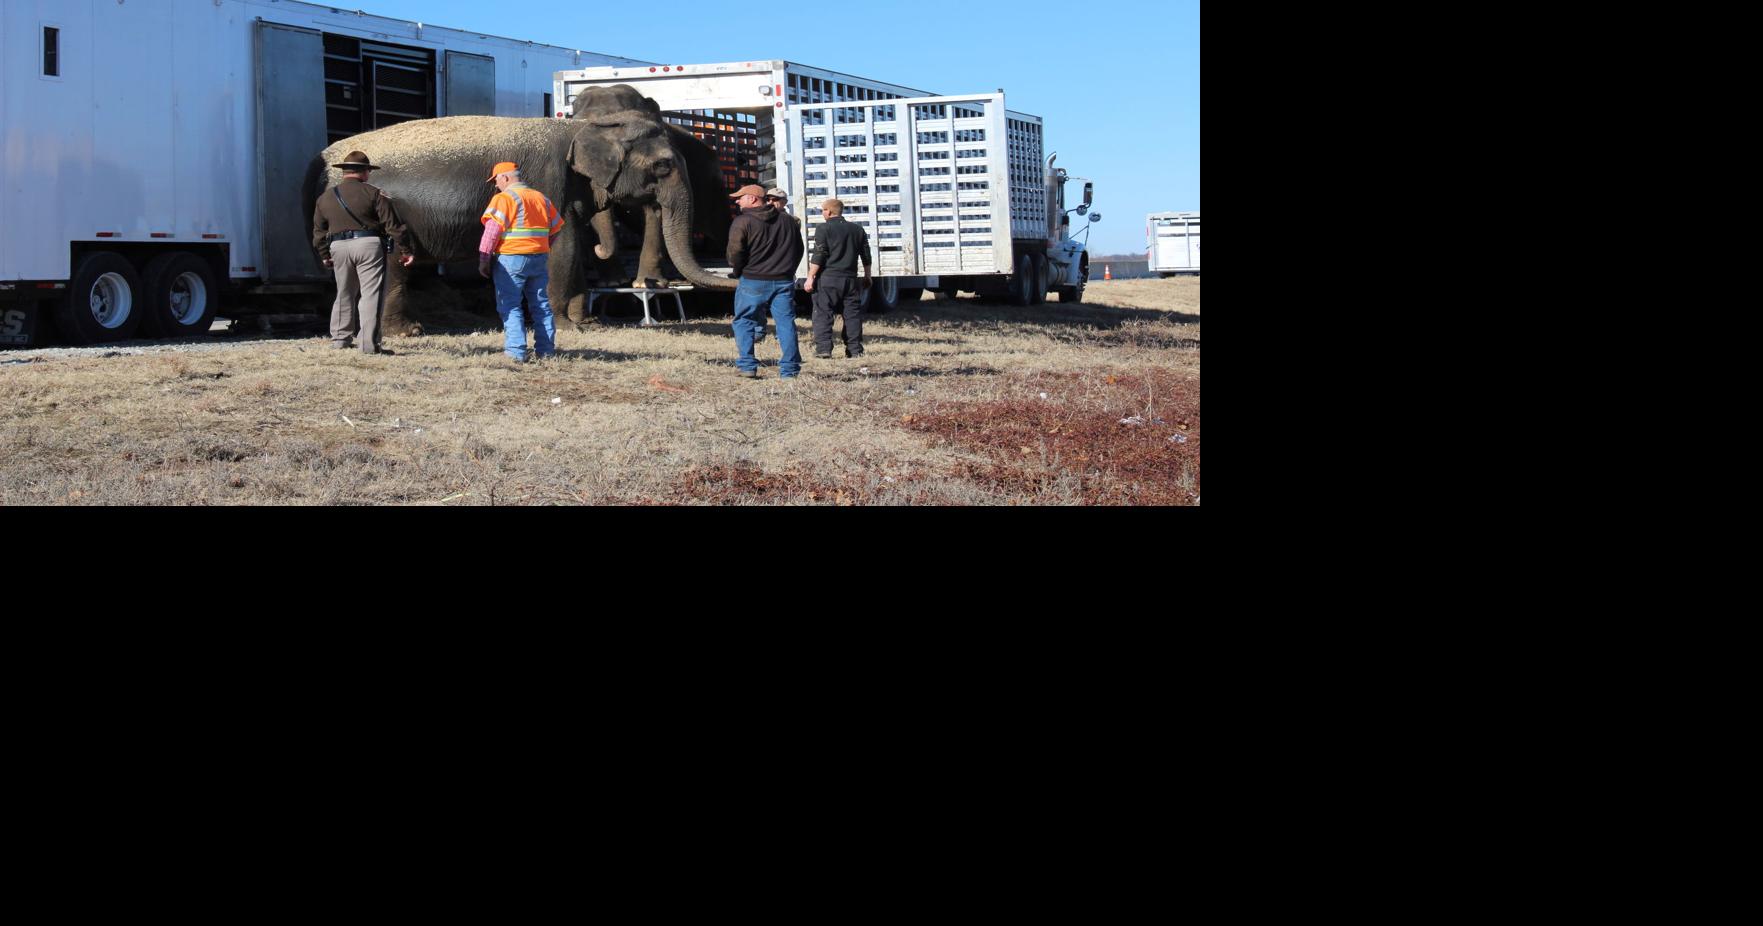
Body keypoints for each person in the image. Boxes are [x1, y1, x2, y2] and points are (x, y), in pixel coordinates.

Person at [311, 150, 414, 355]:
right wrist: (405, 249)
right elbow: (393, 225)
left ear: (344, 172)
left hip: (338, 247)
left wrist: (324, 254)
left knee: (344, 292)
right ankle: (369, 344)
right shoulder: (374, 193)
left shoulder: (326, 197)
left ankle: (340, 339)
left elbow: (318, 231)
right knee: (371, 294)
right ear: (365, 172)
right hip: (368, 244)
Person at [479, 161, 565, 363]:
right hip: (538, 258)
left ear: (505, 178)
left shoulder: (503, 199)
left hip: (511, 259)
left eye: (496, 181)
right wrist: (543, 246)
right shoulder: (541, 198)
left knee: (510, 305)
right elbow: (556, 228)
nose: (495, 186)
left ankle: (516, 353)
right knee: (541, 306)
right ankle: (546, 351)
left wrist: (484, 259)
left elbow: (492, 232)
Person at [726, 183, 805, 379]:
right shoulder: (789, 221)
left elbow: (735, 253)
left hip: (752, 280)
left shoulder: (742, 222)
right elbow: (799, 250)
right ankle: (790, 370)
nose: (737, 200)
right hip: (783, 281)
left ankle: (747, 366)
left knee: (744, 321)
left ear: (752, 199)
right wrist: (788, 271)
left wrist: (738, 270)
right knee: (786, 324)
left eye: (740, 197)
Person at [803, 197, 872, 359]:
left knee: (823, 313)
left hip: (828, 278)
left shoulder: (823, 229)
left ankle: (824, 349)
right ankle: (854, 349)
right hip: (851, 279)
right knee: (852, 315)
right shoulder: (857, 229)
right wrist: (868, 276)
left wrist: (810, 277)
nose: (822, 213)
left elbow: (819, 254)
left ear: (828, 211)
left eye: (822, 210)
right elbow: (866, 255)